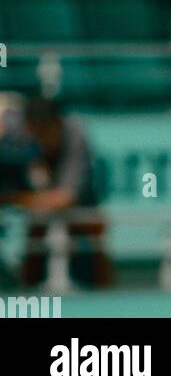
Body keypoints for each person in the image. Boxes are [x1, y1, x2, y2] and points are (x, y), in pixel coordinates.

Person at [0, 97, 112, 288]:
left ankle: (104, 297)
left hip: (81, 206)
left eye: (45, 133)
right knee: (35, 244)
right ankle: (27, 288)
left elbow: (65, 197)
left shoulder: (75, 134)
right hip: (34, 200)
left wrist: (13, 198)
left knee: (92, 239)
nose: (41, 141)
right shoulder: (15, 125)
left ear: (57, 124)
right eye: (36, 134)